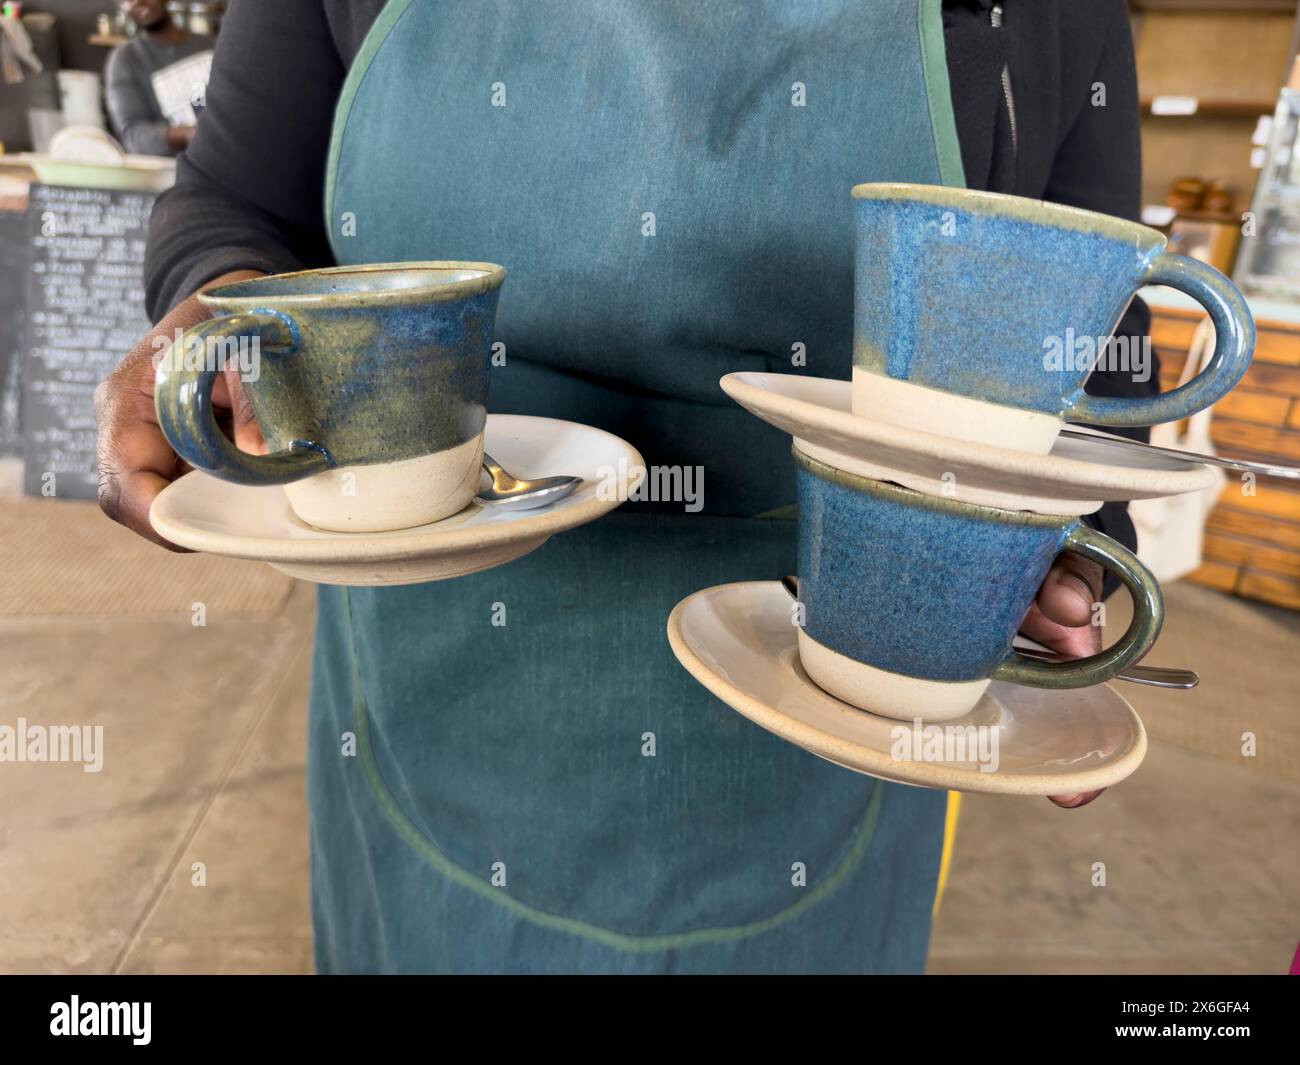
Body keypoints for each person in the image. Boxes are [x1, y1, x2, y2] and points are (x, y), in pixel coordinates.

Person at [96, 0, 1159, 974]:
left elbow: (1095, 311)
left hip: (838, 660)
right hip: (432, 638)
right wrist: (214, 311)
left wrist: (1074, 541)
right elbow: (234, 196)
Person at [104, 0, 213, 156]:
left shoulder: (209, 46)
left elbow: (200, 97)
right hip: (172, 173)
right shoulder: (126, 60)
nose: (137, 2)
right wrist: (188, 133)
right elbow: (133, 136)